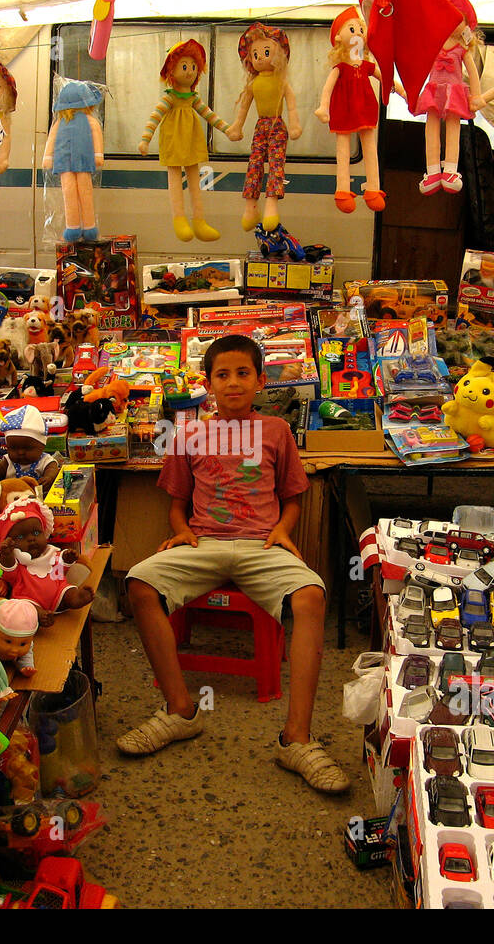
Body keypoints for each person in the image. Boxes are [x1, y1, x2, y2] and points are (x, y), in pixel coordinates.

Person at [117, 335, 348, 794]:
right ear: (208, 384)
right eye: (222, 375)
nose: (233, 383)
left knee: (311, 597)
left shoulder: (277, 431)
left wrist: (283, 530)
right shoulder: (190, 433)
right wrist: (180, 528)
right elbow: (177, 501)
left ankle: (296, 739)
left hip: (263, 545)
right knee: (140, 583)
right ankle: (181, 710)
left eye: (243, 373)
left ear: (261, 381)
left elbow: (293, 496)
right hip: (203, 543)